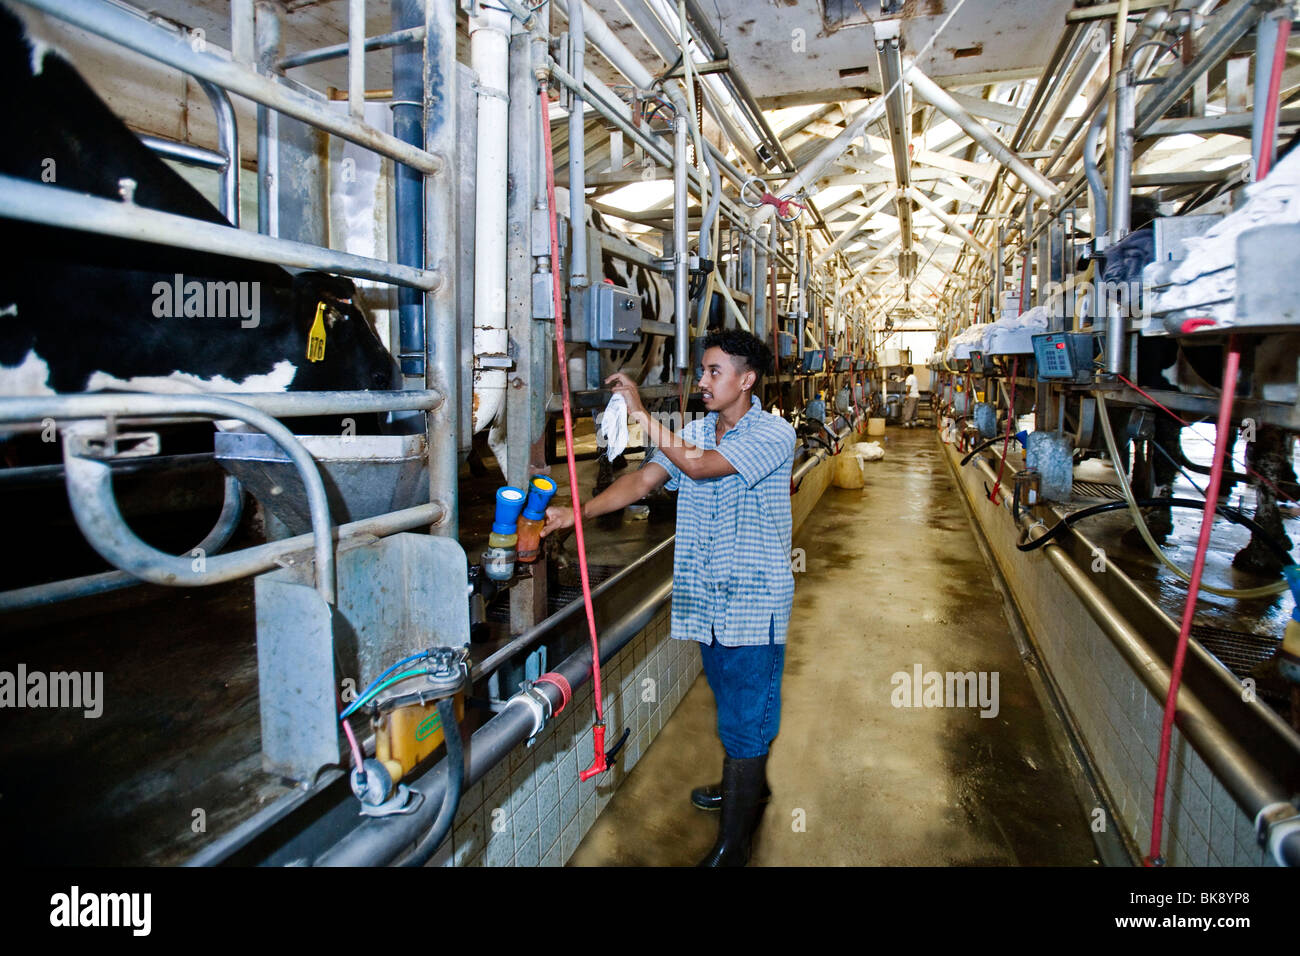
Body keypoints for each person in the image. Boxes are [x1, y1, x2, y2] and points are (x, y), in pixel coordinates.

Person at [541, 329, 796, 867]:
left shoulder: (774, 434)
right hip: (710, 597)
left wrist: (640, 410)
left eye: (713, 372)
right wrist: (576, 514)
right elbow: (641, 483)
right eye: (701, 371)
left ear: (746, 380)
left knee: (749, 709)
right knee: (734, 705)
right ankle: (749, 787)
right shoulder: (699, 429)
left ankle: (734, 846)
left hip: (753, 598)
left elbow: (700, 466)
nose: (702, 381)